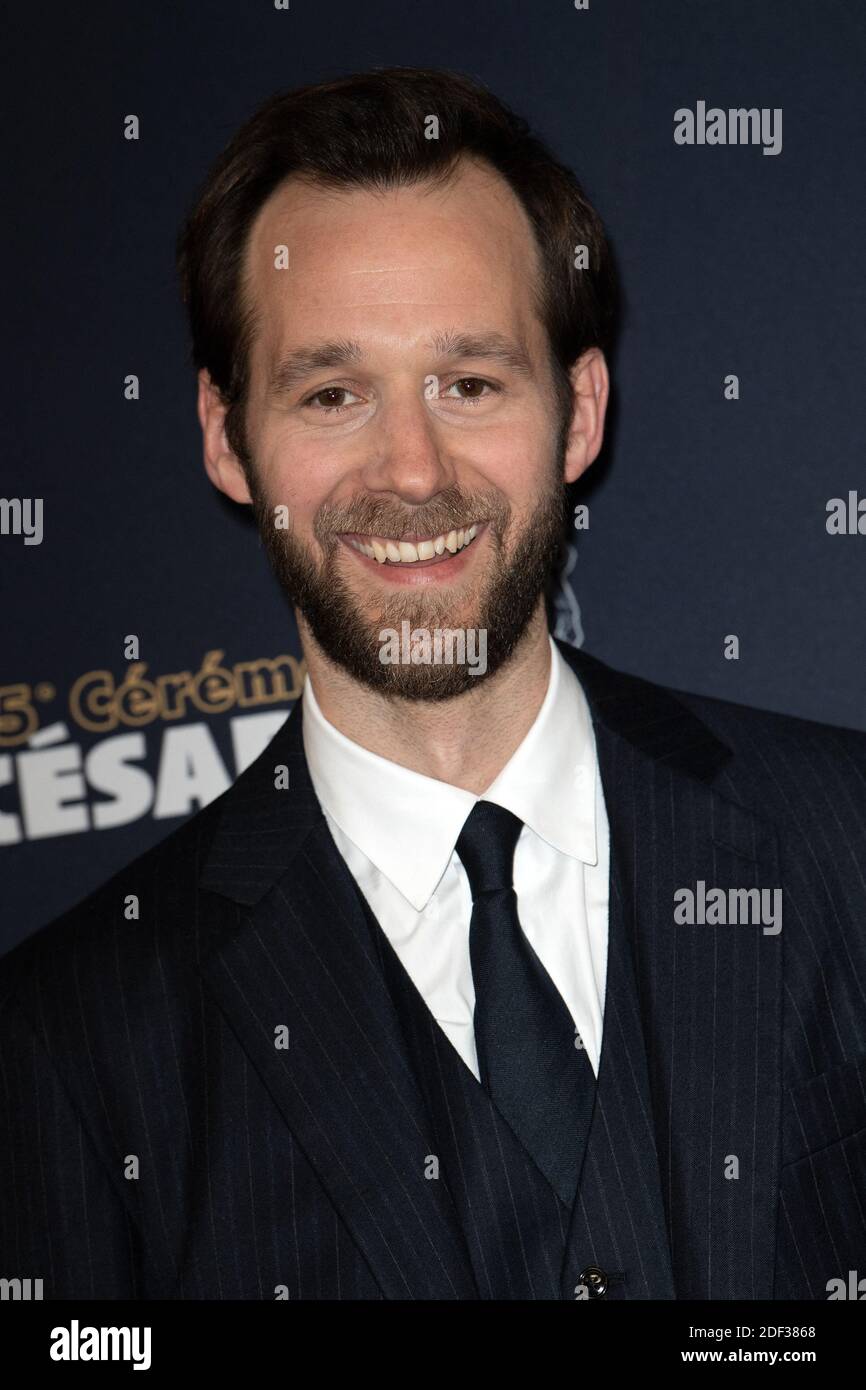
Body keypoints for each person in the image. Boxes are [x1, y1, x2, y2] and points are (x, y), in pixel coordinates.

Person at [1, 66, 864, 1302]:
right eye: (332, 392)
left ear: (576, 414)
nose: (409, 471)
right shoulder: (70, 1047)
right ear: (224, 434)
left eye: (468, 382)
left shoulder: (846, 846)